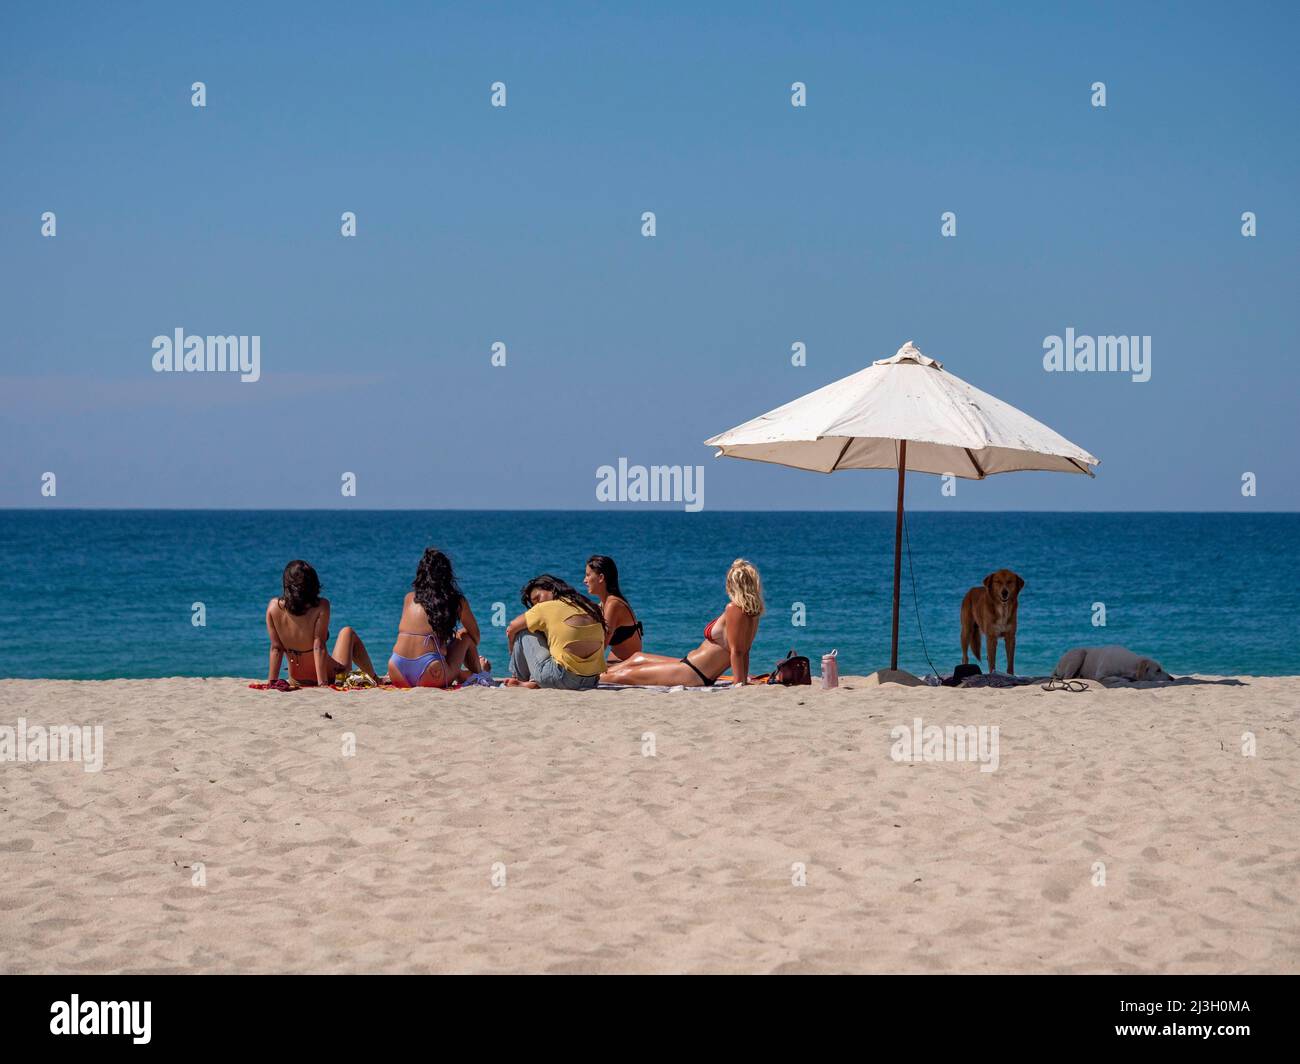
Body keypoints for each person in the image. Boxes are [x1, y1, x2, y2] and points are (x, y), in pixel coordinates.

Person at [603, 559, 763, 687]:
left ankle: (592, 678)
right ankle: (596, 672)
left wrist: (739, 683)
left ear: (734, 584)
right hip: (690, 665)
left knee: (622, 676)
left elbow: (737, 651)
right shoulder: (752, 613)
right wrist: (743, 679)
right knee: (637, 658)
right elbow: (744, 650)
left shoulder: (733, 609)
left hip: (693, 672)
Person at [265, 560, 378, 687]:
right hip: (330, 675)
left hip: (296, 679)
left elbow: (276, 649)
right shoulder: (321, 606)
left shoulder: (273, 607)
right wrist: (322, 683)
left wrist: (272, 682)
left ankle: (373, 677)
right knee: (347, 632)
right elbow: (319, 646)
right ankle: (374, 678)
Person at [388, 548, 492, 688]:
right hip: (430, 671)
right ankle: (479, 673)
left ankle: (462, 673)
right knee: (466, 635)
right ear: (447, 574)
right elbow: (475, 637)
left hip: (396, 669)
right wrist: (458, 636)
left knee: (445, 645)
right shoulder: (456, 601)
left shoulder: (409, 598)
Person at [504, 574, 607, 689]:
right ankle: (532, 681)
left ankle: (518, 679)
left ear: (551, 589)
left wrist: (511, 648)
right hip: (592, 681)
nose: (537, 605)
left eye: (537, 598)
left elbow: (511, 628)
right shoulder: (588, 606)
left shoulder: (546, 607)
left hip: (561, 678)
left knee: (522, 631)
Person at [583, 554, 643, 661]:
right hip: (618, 664)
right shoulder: (602, 605)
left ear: (601, 578)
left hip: (629, 666)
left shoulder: (613, 604)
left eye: (588, 575)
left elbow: (602, 645)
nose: (585, 580)